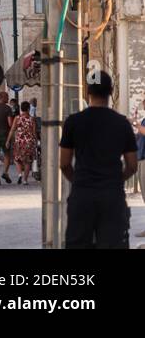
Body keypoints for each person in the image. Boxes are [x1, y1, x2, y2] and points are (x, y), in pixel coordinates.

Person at [59, 71, 138, 249]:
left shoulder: (73, 122)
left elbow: (64, 163)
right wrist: (116, 179)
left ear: (88, 91)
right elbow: (132, 165)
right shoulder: (122, 123)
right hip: (111, 196)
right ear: (110, 91)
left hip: (82, 196)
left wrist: (79, 180)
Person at [8, 100, 38, 185]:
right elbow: (34, 131)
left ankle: (20, 174)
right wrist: (36, 141)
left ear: (21, 109)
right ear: (28, 109)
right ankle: (25, 180)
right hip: (29, 142)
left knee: (17, 159)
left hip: (19, 141)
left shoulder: (17, 118)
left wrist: (8, 141)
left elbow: (12, 130)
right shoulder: (32, 119)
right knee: (27, 162)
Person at [0, 89, 15, 183]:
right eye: (7, 97)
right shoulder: (7, 108)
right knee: (7, 155)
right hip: (5, 135)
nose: (8, 99)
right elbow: (10, 123)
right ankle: (5, 172)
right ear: (3, 97)